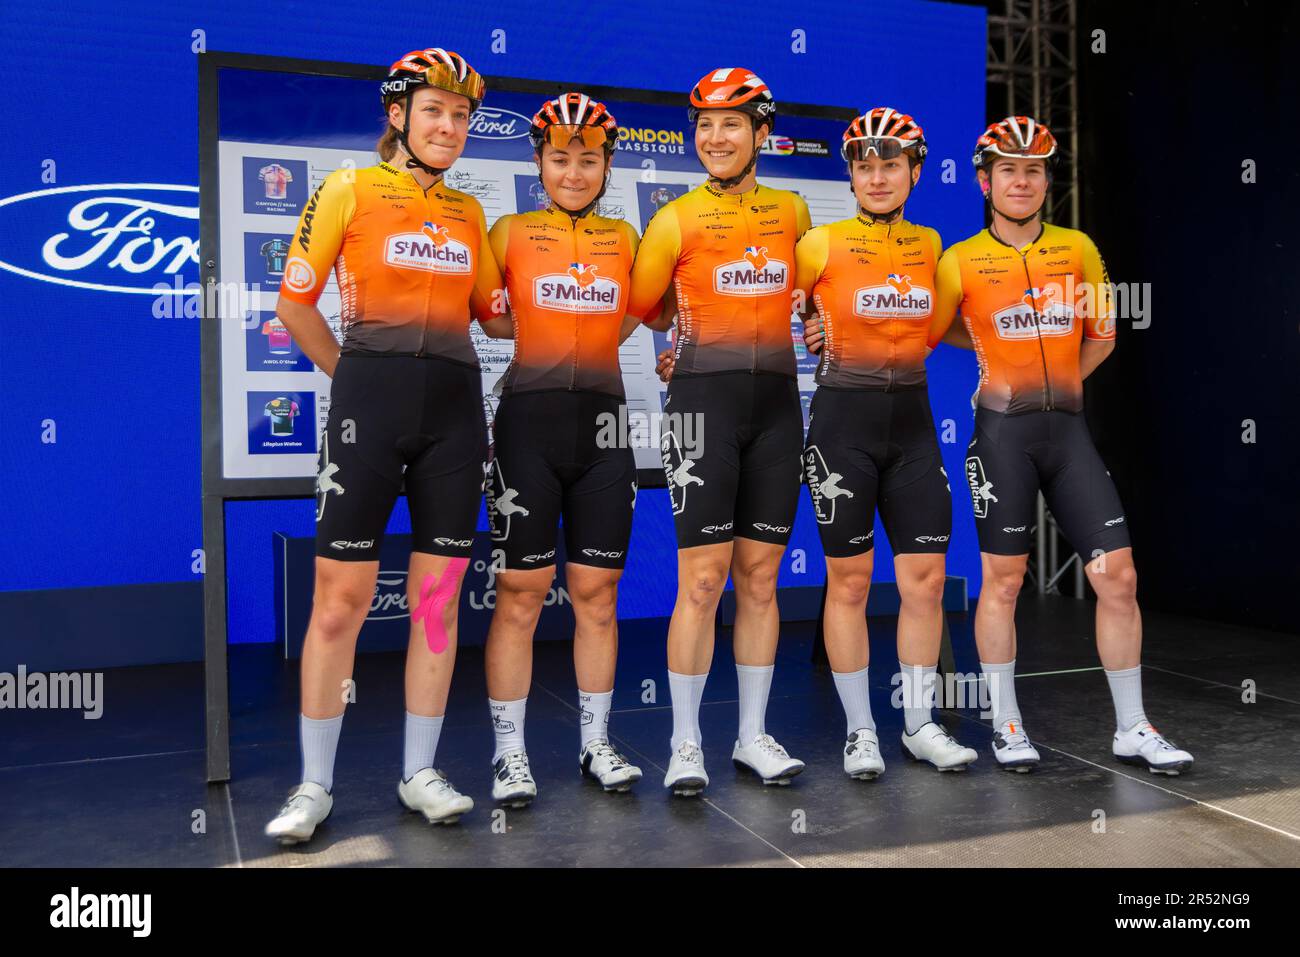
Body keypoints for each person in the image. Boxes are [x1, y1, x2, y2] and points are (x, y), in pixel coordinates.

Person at [264, 48, 505, 844]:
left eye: (461, 115)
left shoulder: (470, 215)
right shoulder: (348, 186)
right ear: (397, 115)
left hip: (456, 415)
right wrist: (356, 377)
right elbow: (294, 304)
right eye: (434, 110)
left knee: (436, 606)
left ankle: (420, 772)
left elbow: (497, 314)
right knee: (339, 601)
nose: (449, 126)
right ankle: (314, 785)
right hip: (369, 409)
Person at [928, 115, 1194, 774]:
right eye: (1009, 170)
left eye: (1035, 169)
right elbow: (930, 333)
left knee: (1119, 578)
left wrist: (1062, 378)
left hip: (1067, 435)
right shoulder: (959, 259)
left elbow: (1102, 333)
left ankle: (1132, 726)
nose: (1022, 181)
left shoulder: (1077, 248)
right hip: (1001, 435)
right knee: (1004, 580)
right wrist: (996, 353)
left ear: (1047, 180)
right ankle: (1008, 722)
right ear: (985, 182)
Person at [628, 68, 811, 795]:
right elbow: (647, 308)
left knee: (761, 579)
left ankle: (753, 736)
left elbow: (812, 296)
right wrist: (683, 337)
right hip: (702, 408)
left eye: (730, 123)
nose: (714, 137)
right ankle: (683, 743)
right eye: (704, 123)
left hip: (777, 409)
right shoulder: (674, 218)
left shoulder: (795, 211)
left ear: (761, 132)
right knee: (701, 581)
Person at [797, 108, 978, 779]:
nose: (877, 177)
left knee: (924, 581)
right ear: (850, 173)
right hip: (842, 427)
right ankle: (860, 731)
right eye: (864, 165)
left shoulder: (932, 245)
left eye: (890, 165)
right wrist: (808, 325)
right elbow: (779, 311)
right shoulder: (819, 243)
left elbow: (946, 324)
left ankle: (920, 724)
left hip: (913, 428)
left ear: (914, 172)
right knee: (847, 582)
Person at [477, 93, 645, 807]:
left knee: (598, 595)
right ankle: (509, 754)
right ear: (538, 161)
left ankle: (596, 741)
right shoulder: (506, 229)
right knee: (519, 594)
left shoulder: (628, 239)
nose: (573, 172)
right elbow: (490, 319)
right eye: (560, 158)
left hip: (605, 425)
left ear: (607, 166)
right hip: (527, 425)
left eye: (588, 159)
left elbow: (641, 316)